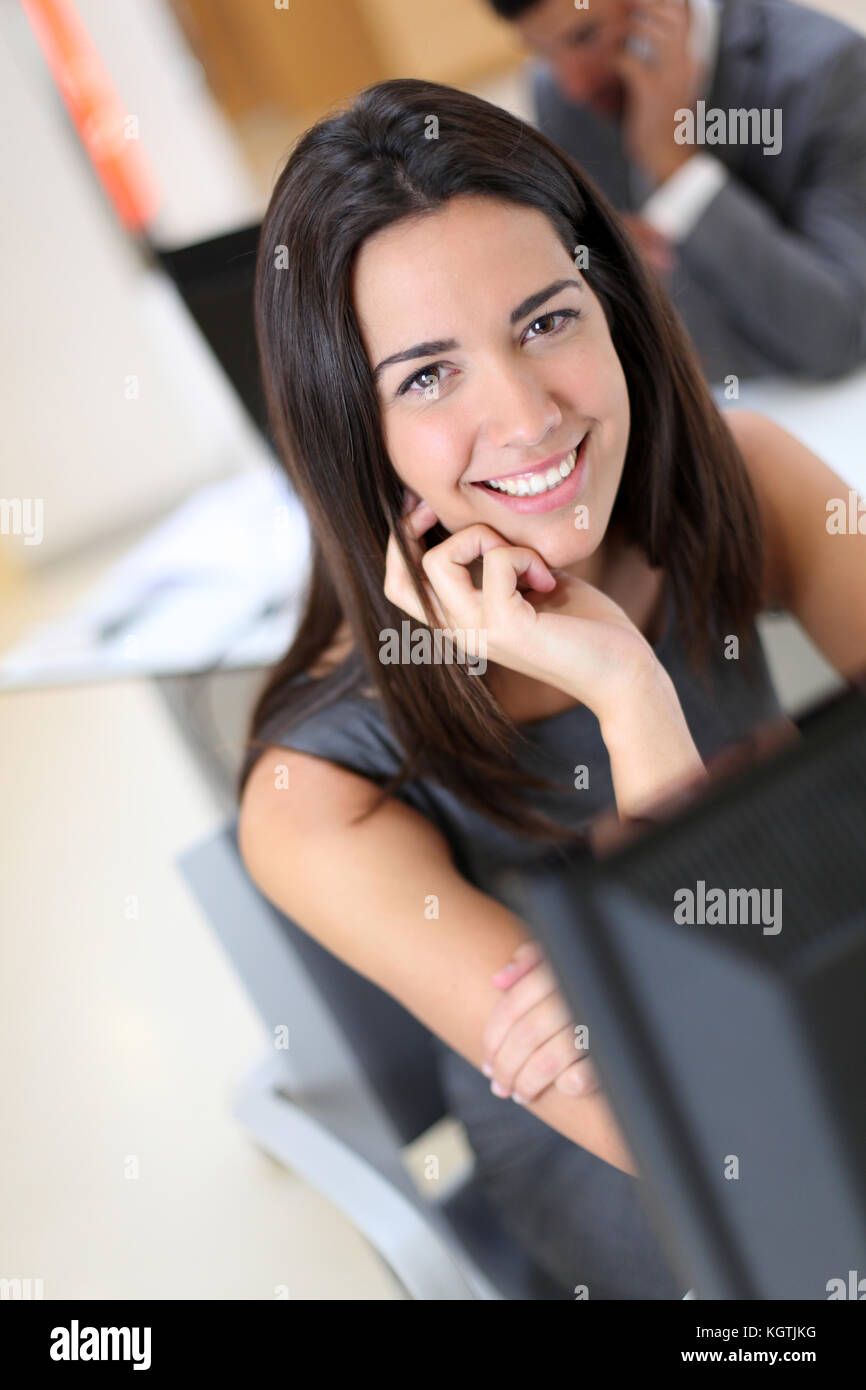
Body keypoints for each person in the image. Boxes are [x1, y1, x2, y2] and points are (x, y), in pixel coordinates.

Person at [236, 78, 866, 1299]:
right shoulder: (312, 797)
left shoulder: (742, 479)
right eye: (426, 377)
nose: (524, 416)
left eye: (544, 320)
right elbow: (732, 1131)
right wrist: (625, 689)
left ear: (613, 306)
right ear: (347, 427)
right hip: (673, 1211)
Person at [487, 0, 866, 384]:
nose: (574, 85)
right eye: (542, 51)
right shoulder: (553, 90)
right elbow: (602, 317)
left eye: (585, 36)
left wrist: (674, 165)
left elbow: (838, 336)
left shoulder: (832, 70)